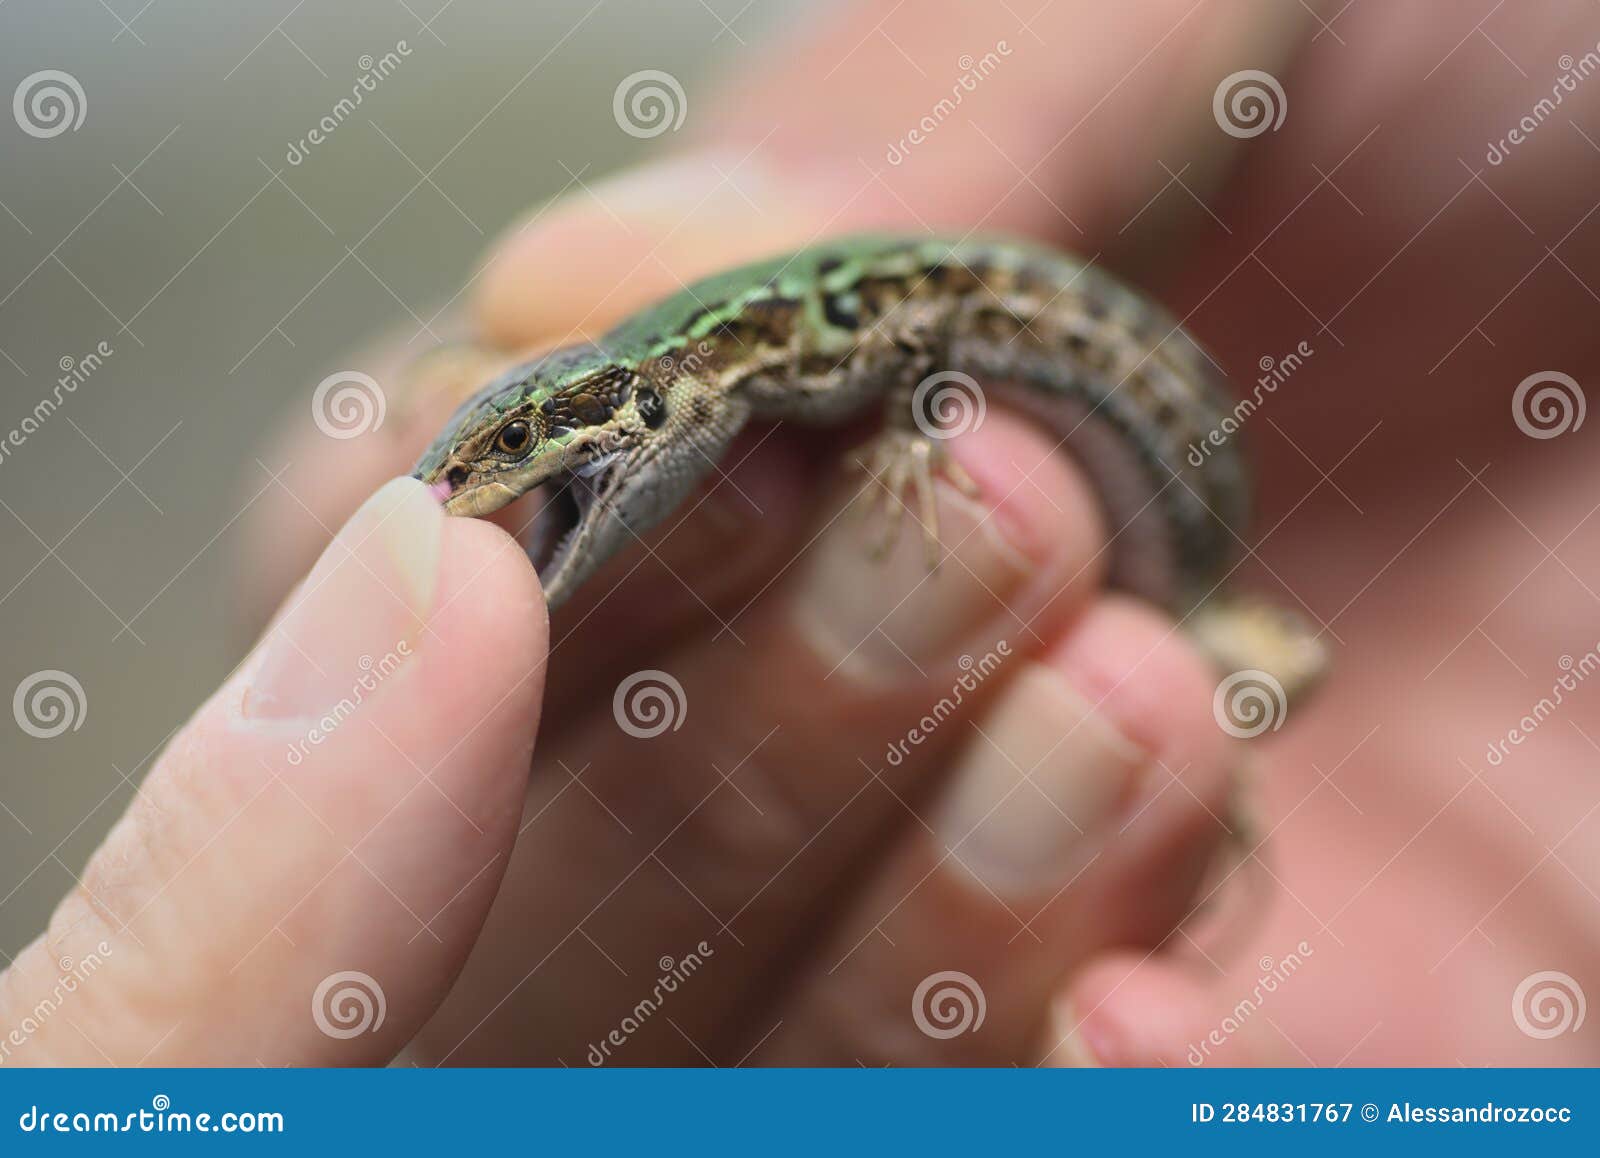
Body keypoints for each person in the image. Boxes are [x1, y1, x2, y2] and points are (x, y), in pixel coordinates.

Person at [4, 0, 1596, 1066]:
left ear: (619, 410)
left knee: (1233, 664)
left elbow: (917, 347)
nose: (492, 482)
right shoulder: (713, 385)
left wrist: (916, 431)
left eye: (519, 442)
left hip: (1176, 454)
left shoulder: (772, 347)